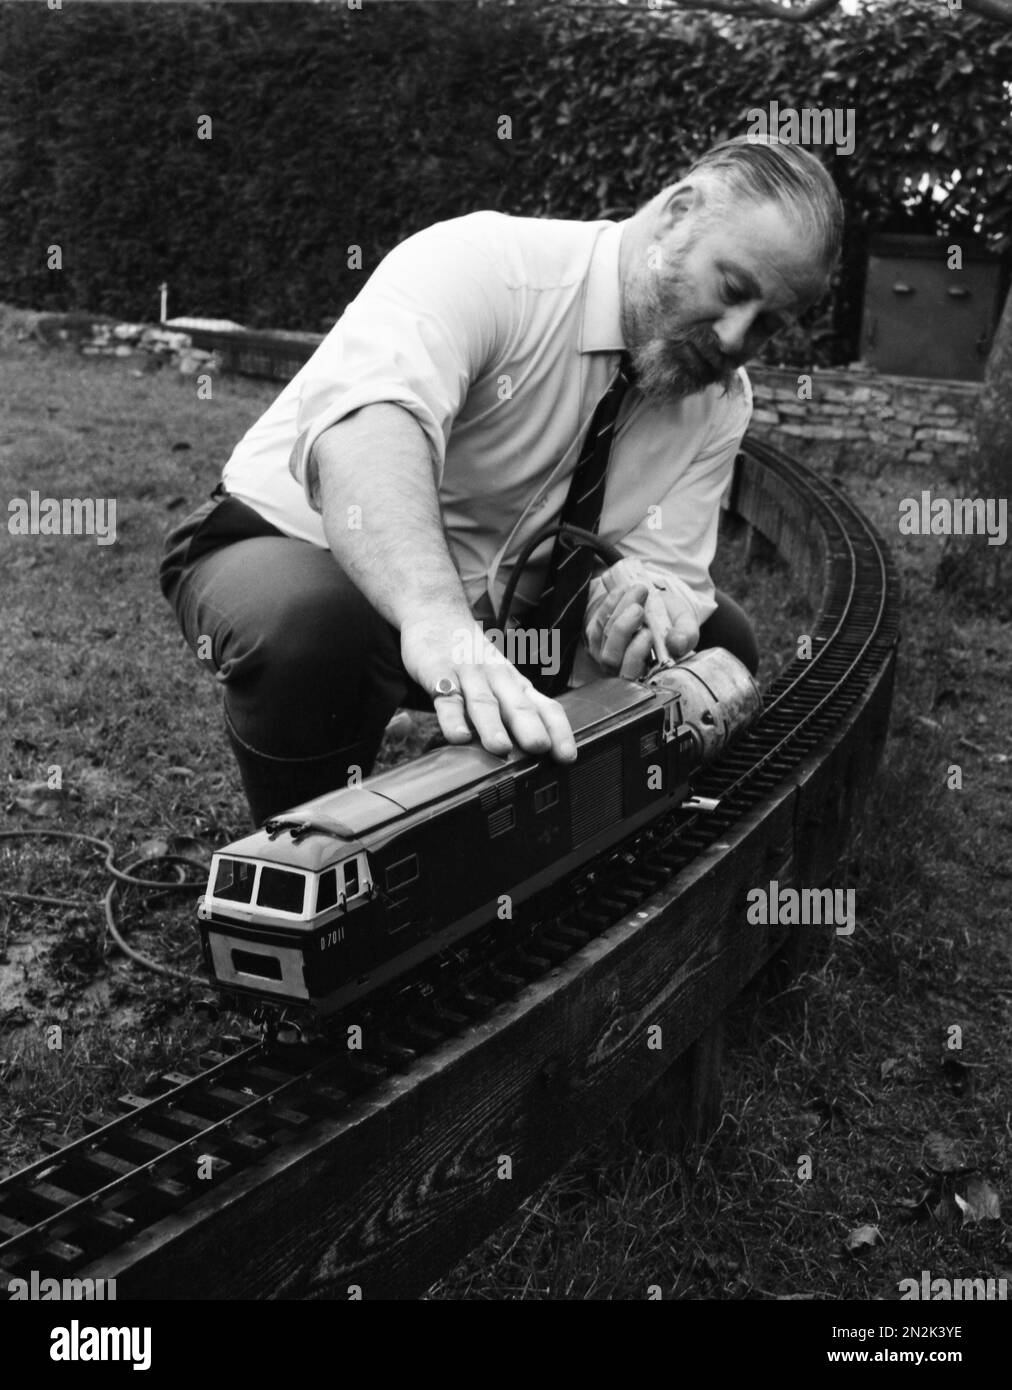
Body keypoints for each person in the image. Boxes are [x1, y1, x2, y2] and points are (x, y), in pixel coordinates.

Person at [160, 134, 842, 825]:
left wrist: (641, 612)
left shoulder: (722, 400)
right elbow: (368, 426)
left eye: (767, 326)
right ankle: (310, 864)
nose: (734, 338)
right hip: (292, 548)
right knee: (317, 625)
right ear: (677, 213)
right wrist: (433, 618)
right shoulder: (485, 264)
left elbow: (672, 575)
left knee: (722, 644)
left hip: (502, 620)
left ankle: (564, 844)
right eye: (732, 290)